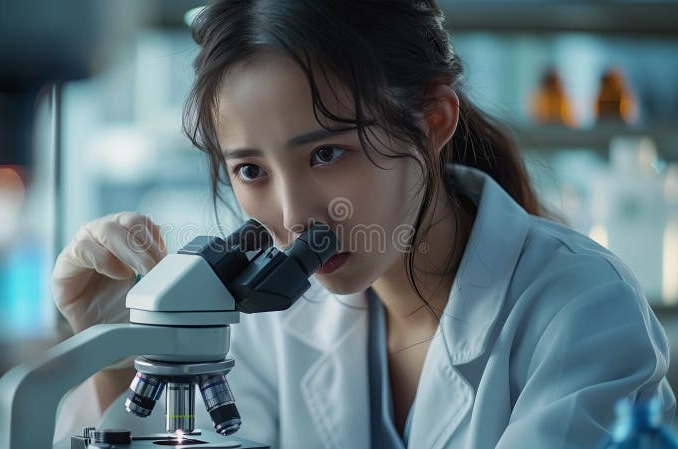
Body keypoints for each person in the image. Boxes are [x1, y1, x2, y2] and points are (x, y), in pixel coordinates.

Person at [51, 1, 675, 448]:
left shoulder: (582, 309)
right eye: (250, 170)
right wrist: (120, 356)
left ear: (433, 120)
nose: (294, 217)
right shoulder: (274, 325)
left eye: (327, 154)